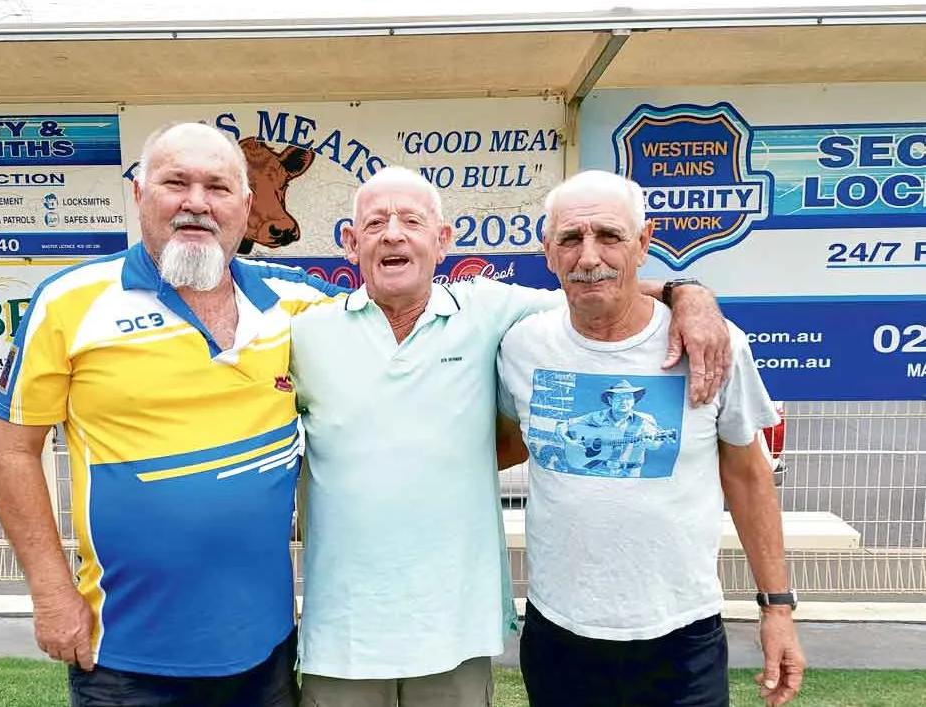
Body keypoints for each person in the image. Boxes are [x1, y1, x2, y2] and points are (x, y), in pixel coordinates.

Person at [289, 166, 732, 707]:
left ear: (443, 241)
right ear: (351, 243)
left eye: (412, 220)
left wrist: (688, 292)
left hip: (455, 630)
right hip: (342, 631)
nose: (393, 234)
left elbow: (596, 285)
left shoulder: (491, 312)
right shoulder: (304, 331)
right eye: (375, 222)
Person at [0, 122, 345, 706]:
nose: (196, 203)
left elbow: (399, 317)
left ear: (248, 206)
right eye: (176, 182)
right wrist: (51, 592)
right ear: (140, 194)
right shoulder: (70, 303)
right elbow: (10, 450)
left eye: (219, 188)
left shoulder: (301, 302)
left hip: (266, 651)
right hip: (124, 658)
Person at [497, 170, 805, 707]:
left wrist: (777, 607)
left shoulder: (714, 343)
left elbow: (748, 476)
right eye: (570, 238)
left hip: (681, 633)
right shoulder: (521, 344)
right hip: (559, 630)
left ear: (644, 242)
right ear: (548, 252)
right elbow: (510, 442)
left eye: (610, 236)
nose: (589, 255)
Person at [555, 379, 675, 477]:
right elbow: (562, 426)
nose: (624, 401)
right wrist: (569, 442)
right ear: (610, 400)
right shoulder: (596, 416)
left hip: (629, 474)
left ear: (633, 400)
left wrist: (650, 443)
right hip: (596, 470)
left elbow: (654, 445)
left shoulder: (645, 420)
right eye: (619, 398)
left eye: (628, 397)